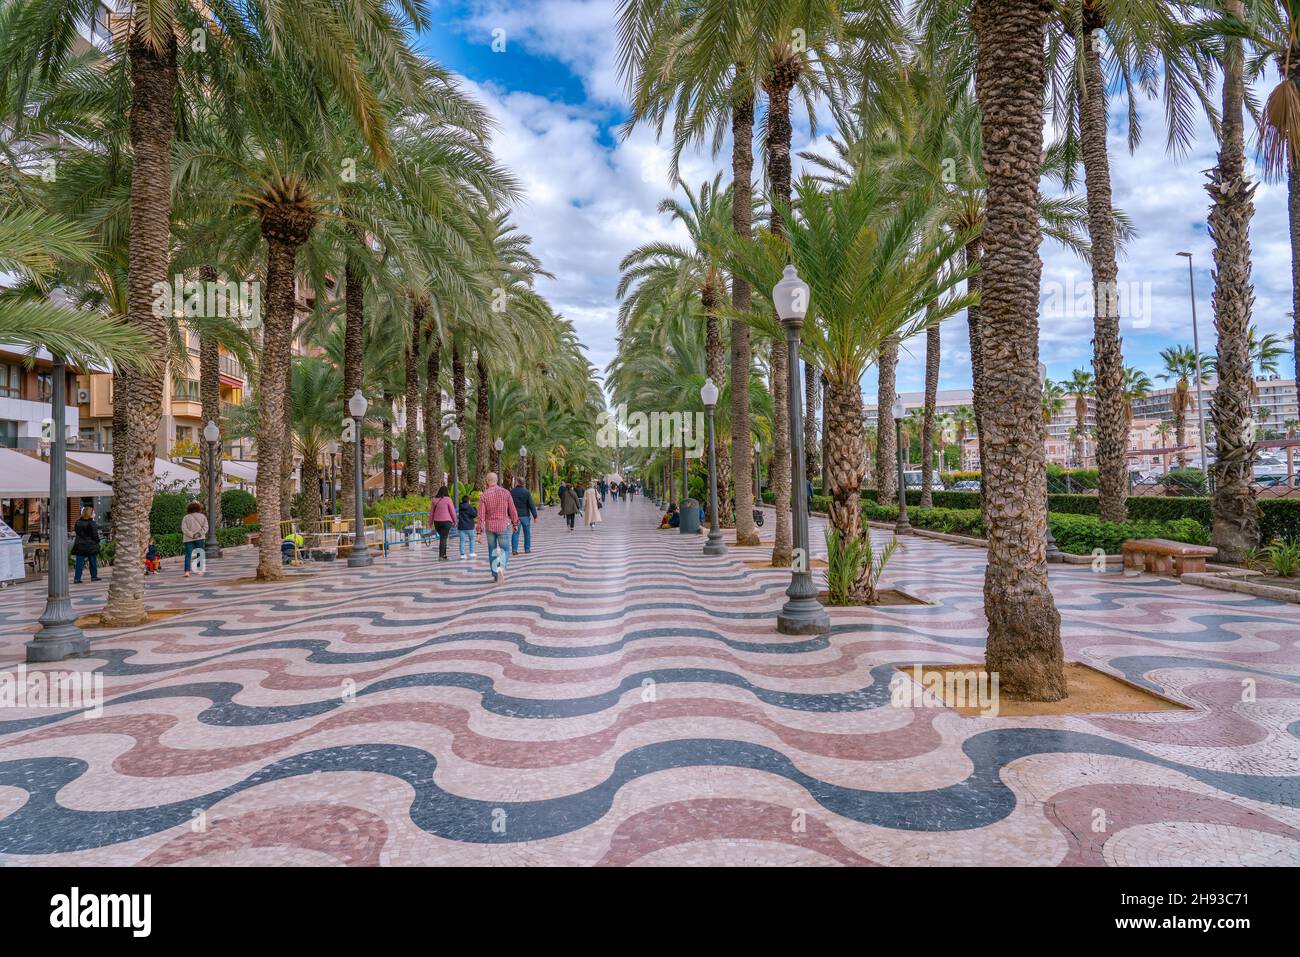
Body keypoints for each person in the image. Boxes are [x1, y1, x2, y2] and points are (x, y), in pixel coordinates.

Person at [476, 472, 519, 584]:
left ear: (487, 481)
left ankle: (495, 574)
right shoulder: (506, 493)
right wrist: (515, 524)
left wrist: (479, 532)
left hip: (490, 527)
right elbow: (513, 510)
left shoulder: (484, 495)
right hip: (503, 526)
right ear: (497, 480)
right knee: (504, 550)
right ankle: (501, 568)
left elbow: (481, 515)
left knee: (492, 551)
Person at [72, 506, 101, 584]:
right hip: (90, 545)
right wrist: (97, 541)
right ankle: (94, 577)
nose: (94, 514)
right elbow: (95, 535)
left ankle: (77, 578)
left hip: (80, 544)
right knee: (92, 562)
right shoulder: (92, 523)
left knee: (79, 563)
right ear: (90, 514)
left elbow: (77, 532)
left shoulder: (78, 522)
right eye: (93, 512)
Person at [510, 477, 538, 555]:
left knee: (515, 532)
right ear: (523, 483)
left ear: (517, 482)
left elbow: (509, 505)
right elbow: (531, 504)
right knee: (527, 533)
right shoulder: (526, 492)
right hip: (525, 515)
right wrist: (535, 516)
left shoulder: (512, 492)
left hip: (515, 516)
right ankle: (527, 549)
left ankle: (514, 550)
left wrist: (509, 515)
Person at [428, 485, 456, 560]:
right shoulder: (448, 499)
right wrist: (455, 521)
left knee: (443, 538)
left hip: (437, 522)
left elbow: (431, 513)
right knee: (444, 538)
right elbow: (452, 511)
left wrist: (430, 523)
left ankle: (444, 555)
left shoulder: (434, 500)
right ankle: (441, 556)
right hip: (446, 522)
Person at [181, 501, 208, 578]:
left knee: (188, 555)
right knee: (199, 553)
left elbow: (184, 528)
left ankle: (187, 572)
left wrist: (192, 535)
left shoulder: (186, 517)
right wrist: (199, 534)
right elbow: (206, 527)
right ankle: (199, 571)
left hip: (188, 539)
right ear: (198, 508)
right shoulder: (203, 517)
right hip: (200, 538)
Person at [456, 494, 477, 560]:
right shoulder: (469, 507)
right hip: (469, 527)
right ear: (468, 501)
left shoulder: (460, 507)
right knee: (472, 539)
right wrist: (475, 508)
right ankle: (471, 553)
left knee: (462, 541)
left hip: (461, 527)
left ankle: (462, 554)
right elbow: (474, 514)